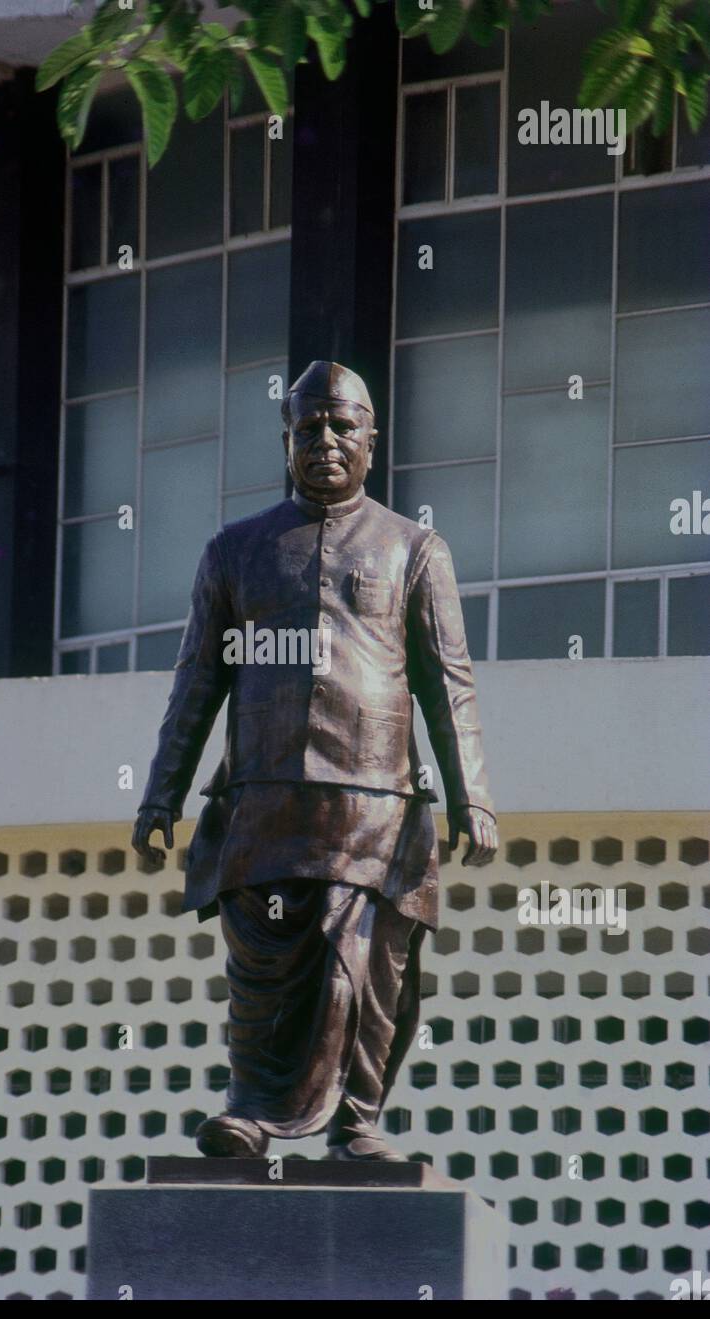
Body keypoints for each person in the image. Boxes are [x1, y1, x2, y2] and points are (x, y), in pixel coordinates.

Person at [133, 360, 497, 1161]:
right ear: (286, 441)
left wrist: (472, 794)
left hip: (376, 805)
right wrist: (160, 794)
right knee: (261, 973)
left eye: (342, 426)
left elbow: (449, 683)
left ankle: (356, 1121)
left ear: (371, 440)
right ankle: (250, 1110)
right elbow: (197, 681)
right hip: (264, 806)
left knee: (368, 972)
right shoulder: (235, 551)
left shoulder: (415, 550)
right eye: (309, 428)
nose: (325, 441)